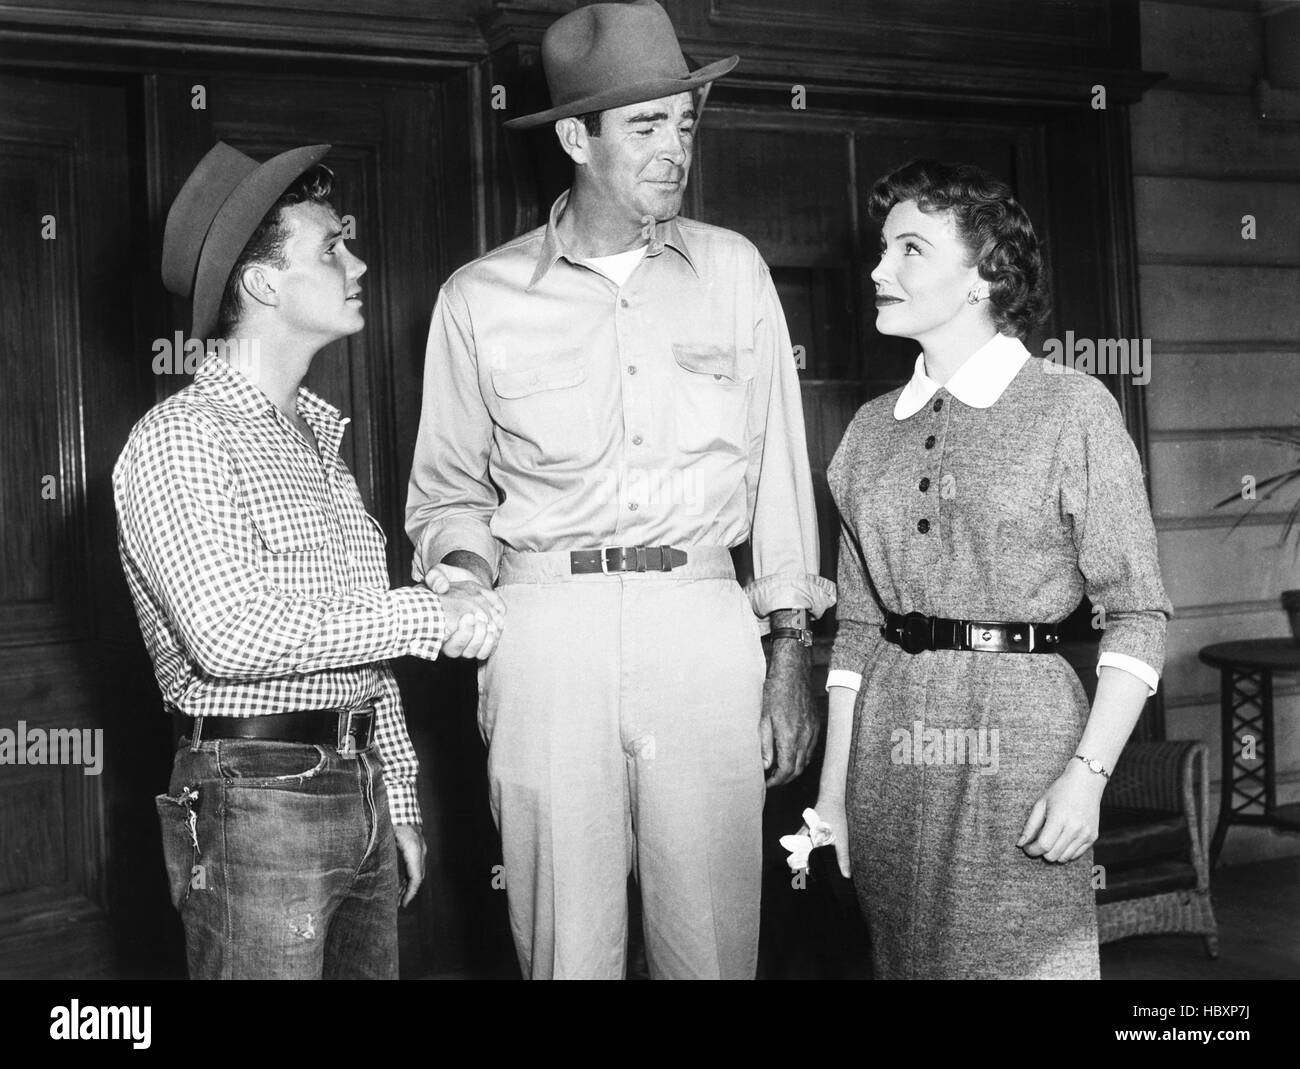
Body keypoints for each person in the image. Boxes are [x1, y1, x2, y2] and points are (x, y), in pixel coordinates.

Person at [406, 0, 833, 979]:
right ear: (572, 136)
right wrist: (464, 572)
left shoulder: (733, 273)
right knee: (567, 952)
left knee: (713, 951)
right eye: (645, 125)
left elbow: (776, 480)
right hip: (547, 637)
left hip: (700, 627)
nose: (675, 148)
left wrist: (789, 649)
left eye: (685, 123)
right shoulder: (478, 297)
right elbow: (445, 495)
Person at [114, 141, 503, 979]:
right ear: (260, 284)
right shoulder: (184, 437)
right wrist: (428, 612)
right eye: (330, 246)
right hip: (253, 795)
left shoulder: (315, 443)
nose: (356, 260)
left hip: (351, 786)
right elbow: (228, 635)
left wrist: (394, 796)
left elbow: (360, 656)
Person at [813, 158, 1172, 979]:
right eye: (881, 247)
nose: (878, 269)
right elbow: (858, 633)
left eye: (910, 249)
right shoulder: (867, 432)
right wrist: (833, 795)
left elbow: (1139, 612)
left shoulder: (1073, 408)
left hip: (1024, 744)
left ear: (983, 277)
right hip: (889, 755)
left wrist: (1086, 777)